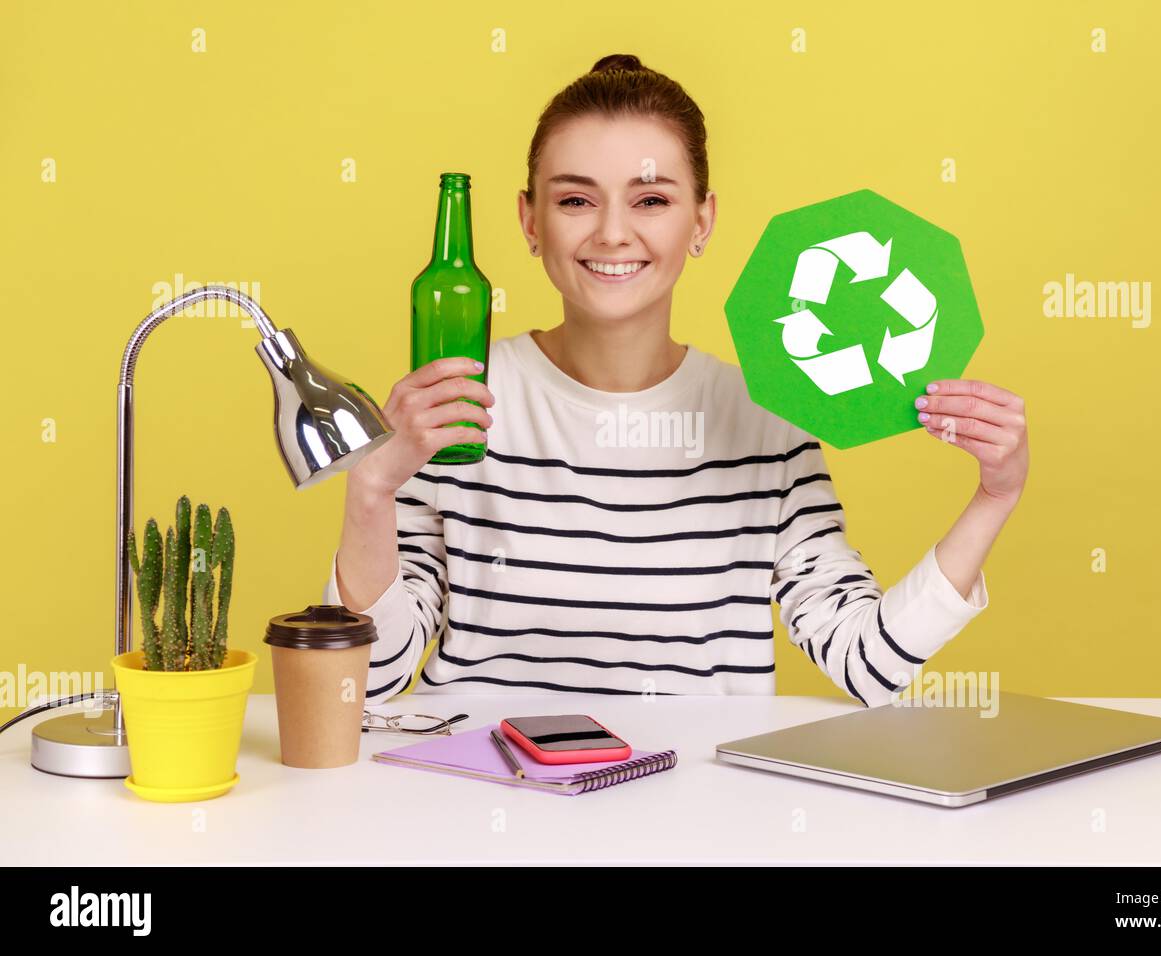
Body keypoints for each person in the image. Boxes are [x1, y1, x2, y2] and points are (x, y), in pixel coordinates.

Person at [325, 53, 1028, 705]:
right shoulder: (456, 405)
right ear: (529, 220)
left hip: (697, 822)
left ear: (702, 220)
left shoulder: (767, 423)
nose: (611, 233)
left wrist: (995, 496)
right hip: (490, 807)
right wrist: (372, 487)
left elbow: (866, 662)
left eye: (651, 200)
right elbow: (371, 678)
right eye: (575, 200)